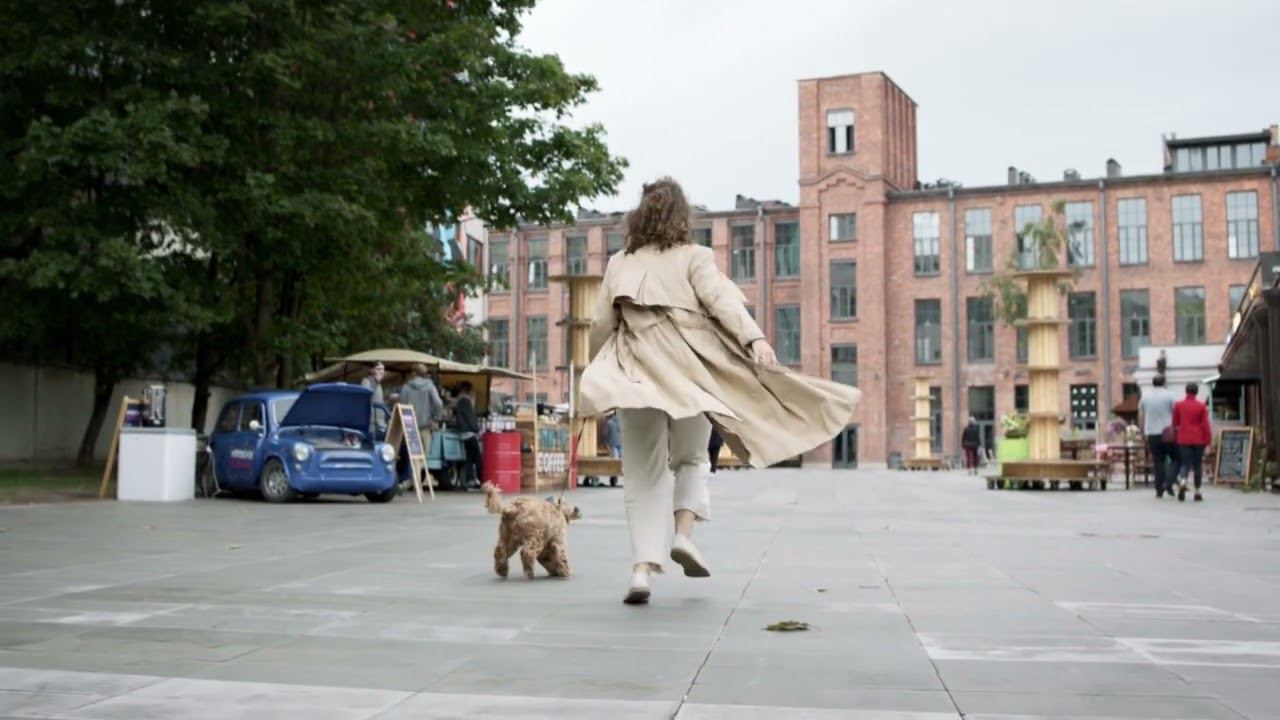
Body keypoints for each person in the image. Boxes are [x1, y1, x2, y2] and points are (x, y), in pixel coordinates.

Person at [579, 178, 861, 605]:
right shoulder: (696, 257)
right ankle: (685, 536)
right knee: (692, 458)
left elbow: (601, 324)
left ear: (639, 216)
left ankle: (641, 569)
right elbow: (724, 304)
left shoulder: (620, 262)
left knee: (642, 472)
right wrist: (756, 340)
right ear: (681, 216)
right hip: (688, 376)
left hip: (634, 377)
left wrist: (601, 377)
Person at [1138, 375, 1177, 498]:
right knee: (1176, 459)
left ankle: (1159, 488)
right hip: (1168, 432)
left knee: (1158, 461)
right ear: (1164, 383)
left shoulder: (1145, 397)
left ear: (1152, 383)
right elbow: (1175, 413)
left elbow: (1141, 415)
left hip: (1153, 434)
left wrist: (1142, 431)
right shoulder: (1170, 395)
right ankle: (1169, 482)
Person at [398, 363, 444, 468]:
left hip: (410, 427)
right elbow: (438, 404)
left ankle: (414, 481)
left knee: (413, 458)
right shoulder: (430, 387)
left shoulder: (406, 387)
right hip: (426, 426)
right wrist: (435, 418)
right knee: (422, 458)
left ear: (414, 373)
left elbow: (401, 404)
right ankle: (416, 482)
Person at [1173, 382, 1212, 502]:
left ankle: (1183, 480)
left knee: (1185, 463)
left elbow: (1175, 423)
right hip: (1199, 439)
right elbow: (1205, 425)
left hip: (1184, 438)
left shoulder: (1178, 405)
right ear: (1196, 392)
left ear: (1186, 391)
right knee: (1197, 464)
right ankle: (1197, 492)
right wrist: (1208, 440)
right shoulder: (1201, 406)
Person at [452, 381, 482, 490]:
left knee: (469, 458)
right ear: (468, 390)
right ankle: (481, 479)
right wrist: (476, 428)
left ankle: (470, 480)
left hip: (463, 433)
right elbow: (470, 417)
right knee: (477, 457)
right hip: (469, 432)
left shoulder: (459, 400)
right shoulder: (465, 400)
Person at [602, 413, 622, 485]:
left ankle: (614, 478)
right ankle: (615, 477)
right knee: (620, 461)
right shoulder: (622, 422)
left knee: (614, 461)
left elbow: (604, 434)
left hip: (612, 444)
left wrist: (606, 444)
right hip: (621, 444)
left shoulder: (608, 422)